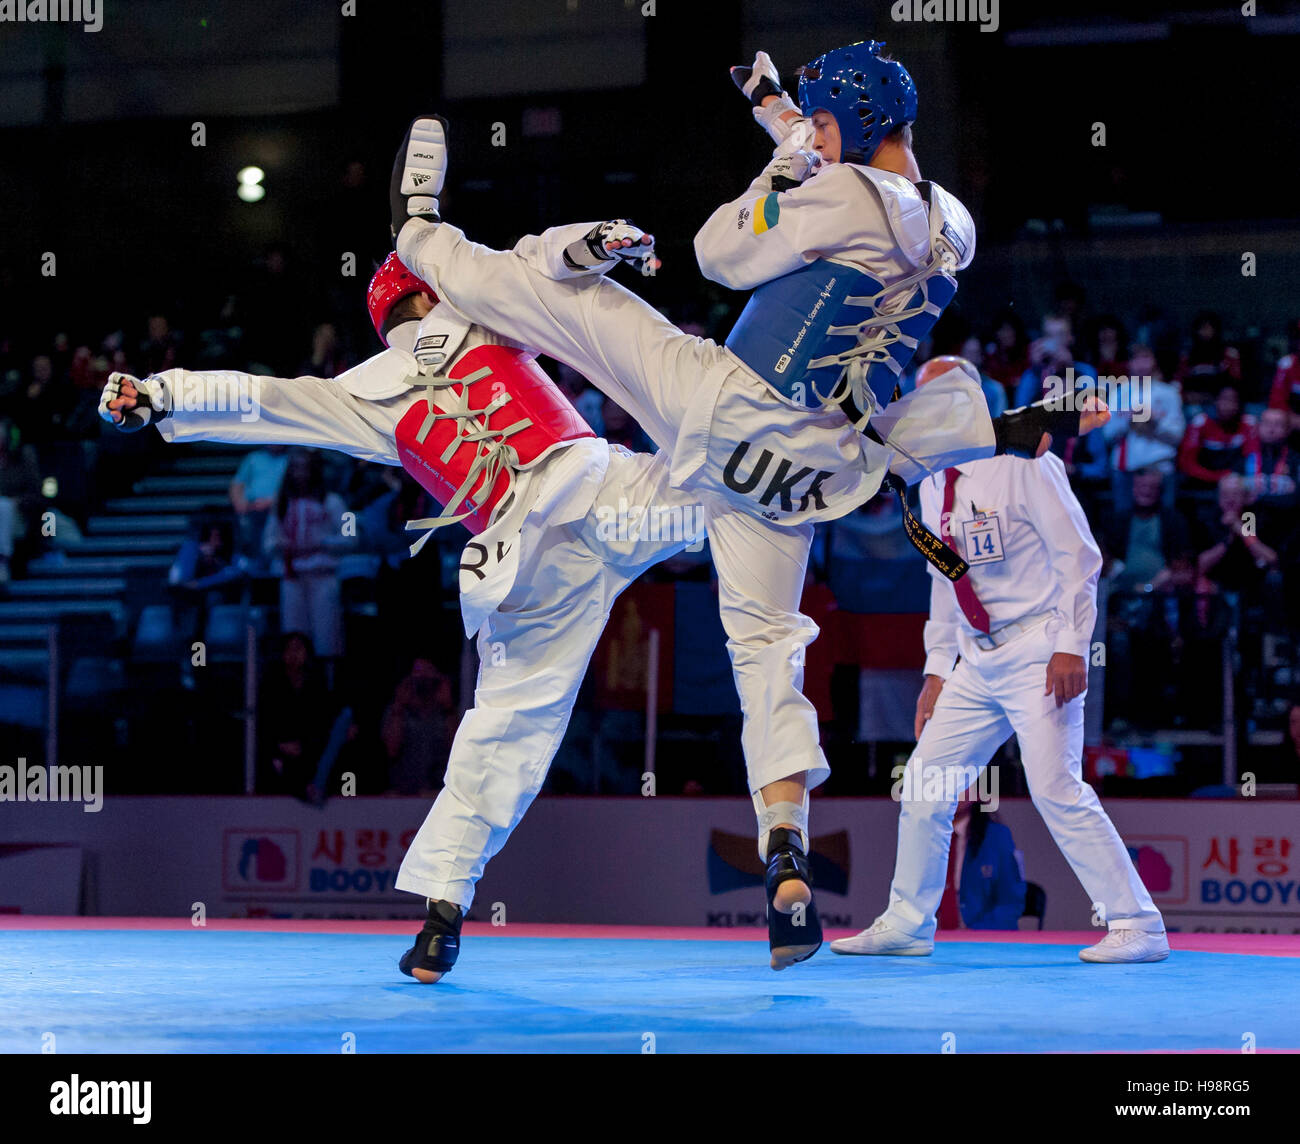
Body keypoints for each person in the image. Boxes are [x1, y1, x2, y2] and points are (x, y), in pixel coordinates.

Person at [389, 45, 1107, 967]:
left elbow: (718, 253)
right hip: (812, 470)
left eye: (821, 119)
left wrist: (777, 162)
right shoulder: (953, 223)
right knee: (768, 646)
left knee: (568, 300)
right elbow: (841, 169)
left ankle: (421, 239)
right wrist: (775, 109)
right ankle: (785, 851)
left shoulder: (839, 198)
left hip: (725, 408)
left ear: (842, 123)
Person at [100, 247, 712, 979]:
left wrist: (161, 394)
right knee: (742, 483)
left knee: (505, 734)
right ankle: (866, 459)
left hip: (525, 566)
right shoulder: (483, 309)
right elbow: (552, 275)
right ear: (433, 289)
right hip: (608, 498)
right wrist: (593, 246)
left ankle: (440, 919)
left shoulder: (363, 391)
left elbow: (262, 401)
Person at [830, 357, 1166, 963]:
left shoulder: (1025, 461)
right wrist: (936, 671)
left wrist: (1070, 645)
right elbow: (945, 576)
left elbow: (1080, 559)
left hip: (1039, 645)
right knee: (925, 786)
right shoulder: (927, 479)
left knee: (1056, 788)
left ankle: (1138, 925)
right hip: (975, 661)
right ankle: (908, 921)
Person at [262, 449, 354, 659]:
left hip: (323, 576)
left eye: (304, 468)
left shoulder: (334, 501)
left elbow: (351, 537)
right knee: (294, 637)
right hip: (292, 577)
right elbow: (268, 542)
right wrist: (282, 545)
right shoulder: (281, 504)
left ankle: (329, 685)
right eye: (295, 468)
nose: (300, 474)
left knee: (327, 637)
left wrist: (321, 543)